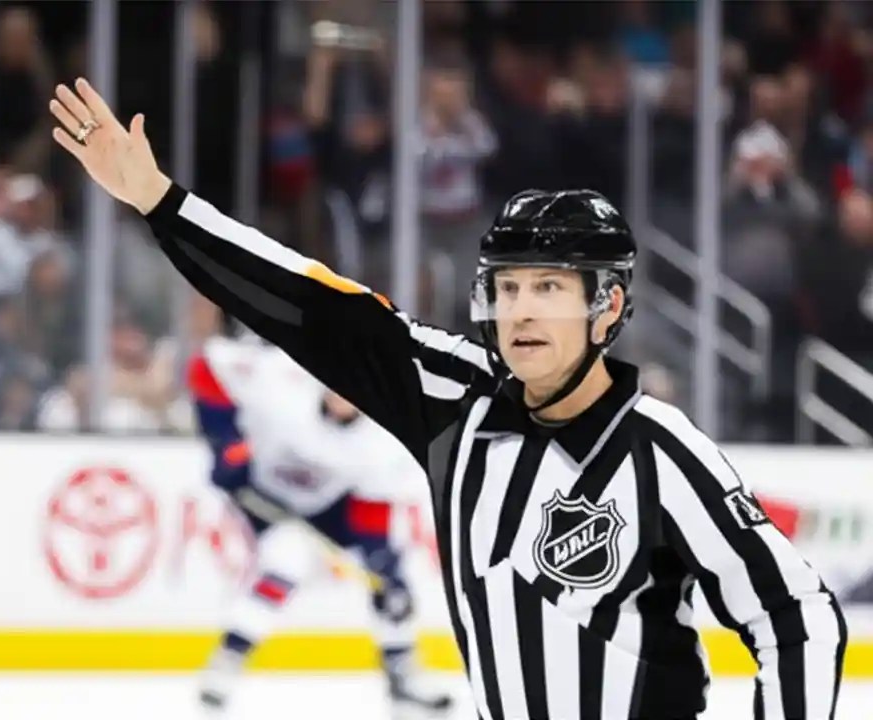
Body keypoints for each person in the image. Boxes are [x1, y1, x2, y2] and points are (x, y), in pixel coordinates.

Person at [50, 79, 846, 719]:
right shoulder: (454, 399)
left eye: (550, 288)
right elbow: (310, 305)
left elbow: (796, 615)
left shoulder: (662, 452)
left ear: (608, 307)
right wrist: (162, 203)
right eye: (508, 287)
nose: (522, 309)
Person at [189, 332, 452, 717]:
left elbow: (371, 518)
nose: (343, 397)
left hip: (328, 507)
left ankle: (403, 676)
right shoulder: (284, 385)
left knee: (392, 584)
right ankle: (225, 667)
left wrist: (380, 565)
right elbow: (208, 365)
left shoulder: (380, 444)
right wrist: (223, 439)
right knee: (287, 562)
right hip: (260, 496)